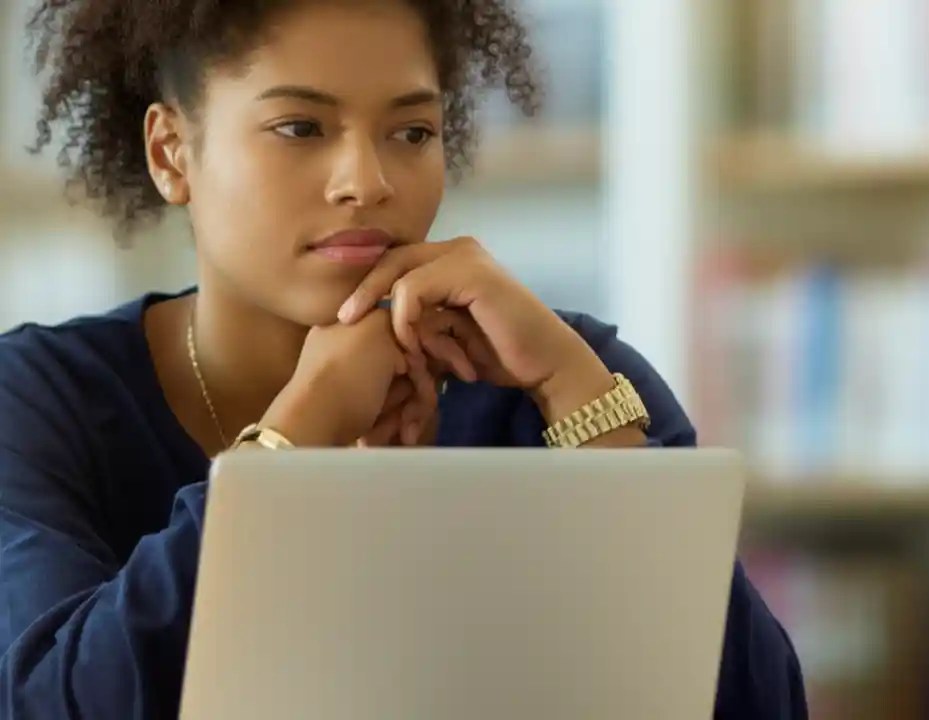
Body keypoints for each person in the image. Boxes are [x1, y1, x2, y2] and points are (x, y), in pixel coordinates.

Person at [0, 0, 807, 717]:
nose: (368, 180)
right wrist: (296, 439)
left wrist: (572, 391)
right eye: (301, 128)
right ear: (171, 152)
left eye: (412, 132)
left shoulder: (564, 373)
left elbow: (756, 703)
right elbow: (58, 701)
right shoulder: (37, 399)